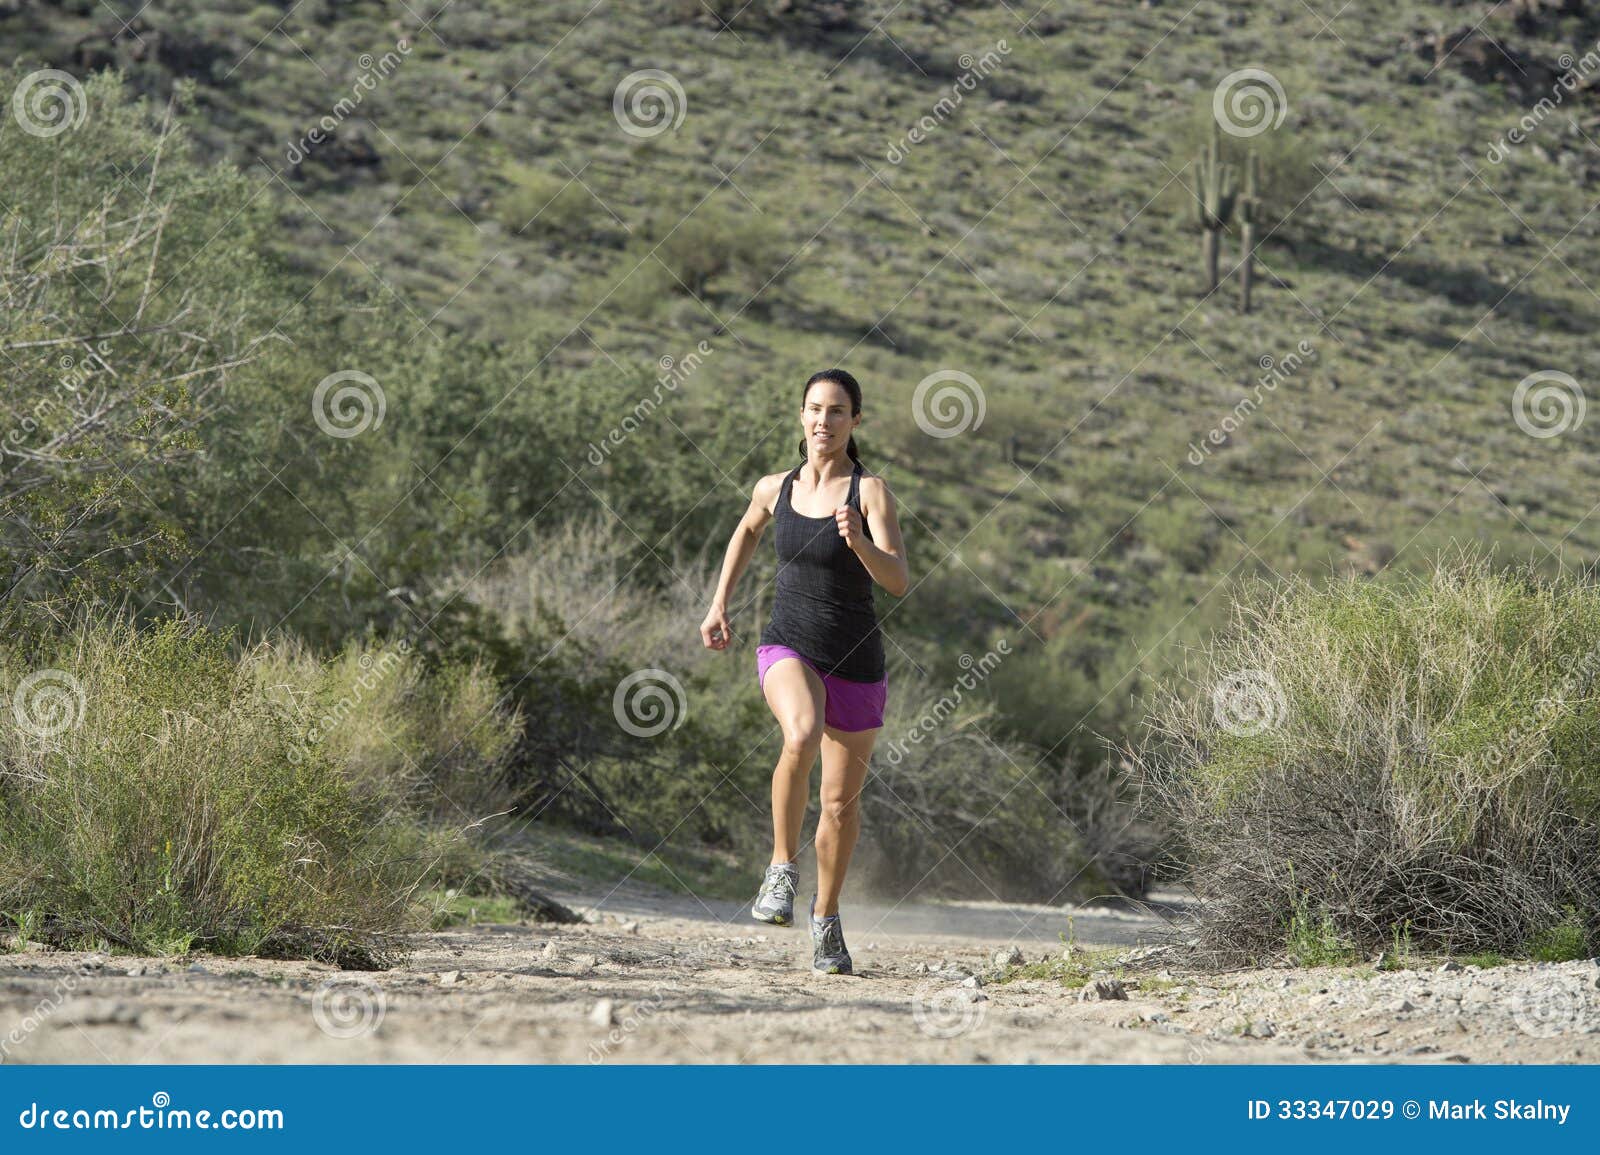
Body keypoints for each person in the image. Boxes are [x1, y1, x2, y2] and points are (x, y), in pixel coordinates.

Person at [699, 369, 909, 975]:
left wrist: (861, 544)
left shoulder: (870, 493)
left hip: (857, 660)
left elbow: (897, 580)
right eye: (815, 408)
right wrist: (719, 603)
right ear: (800, 416)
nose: (825, 420)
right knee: (800, 732)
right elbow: (745, 531)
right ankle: (779, 870)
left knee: (840, 805)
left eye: (838, 411)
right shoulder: (774, 487)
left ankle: (825, 918)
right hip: (788, 644)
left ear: (855, 422)